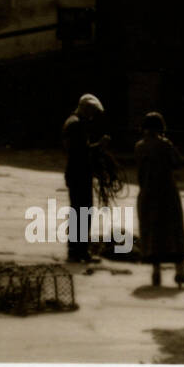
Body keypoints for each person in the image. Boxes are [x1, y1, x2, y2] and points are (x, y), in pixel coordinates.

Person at [134, 112, 184, 287]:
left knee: (152, 232)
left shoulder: (139, 146)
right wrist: (167, 143)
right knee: (174, 232)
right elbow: (177, 162)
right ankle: (180, 272)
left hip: (146, 194)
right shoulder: (165, 145)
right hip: (166, 194)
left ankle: (156, 271)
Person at [62, 93, 108, 263]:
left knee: (81, 212)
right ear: (85, 108)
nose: (92, 116)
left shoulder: (75, 123)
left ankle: (79, 250)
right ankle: (77, 251)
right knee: (81, 212)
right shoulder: (75, 125)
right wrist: (99, 147)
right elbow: (80, 152)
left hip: (78, 173)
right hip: (78, 174)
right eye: (91, 111)